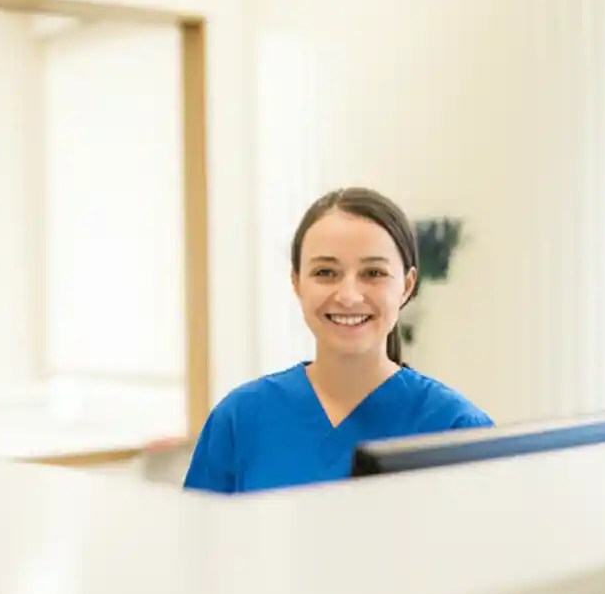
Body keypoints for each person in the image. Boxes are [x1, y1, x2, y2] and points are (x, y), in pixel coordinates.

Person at [184, 187, 492, 494]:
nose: (348, 296)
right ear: (296, 282)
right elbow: (199, 525)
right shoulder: (239, 420)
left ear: (407, 286)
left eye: (373, 273)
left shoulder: (458, 429)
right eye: (325, 272)